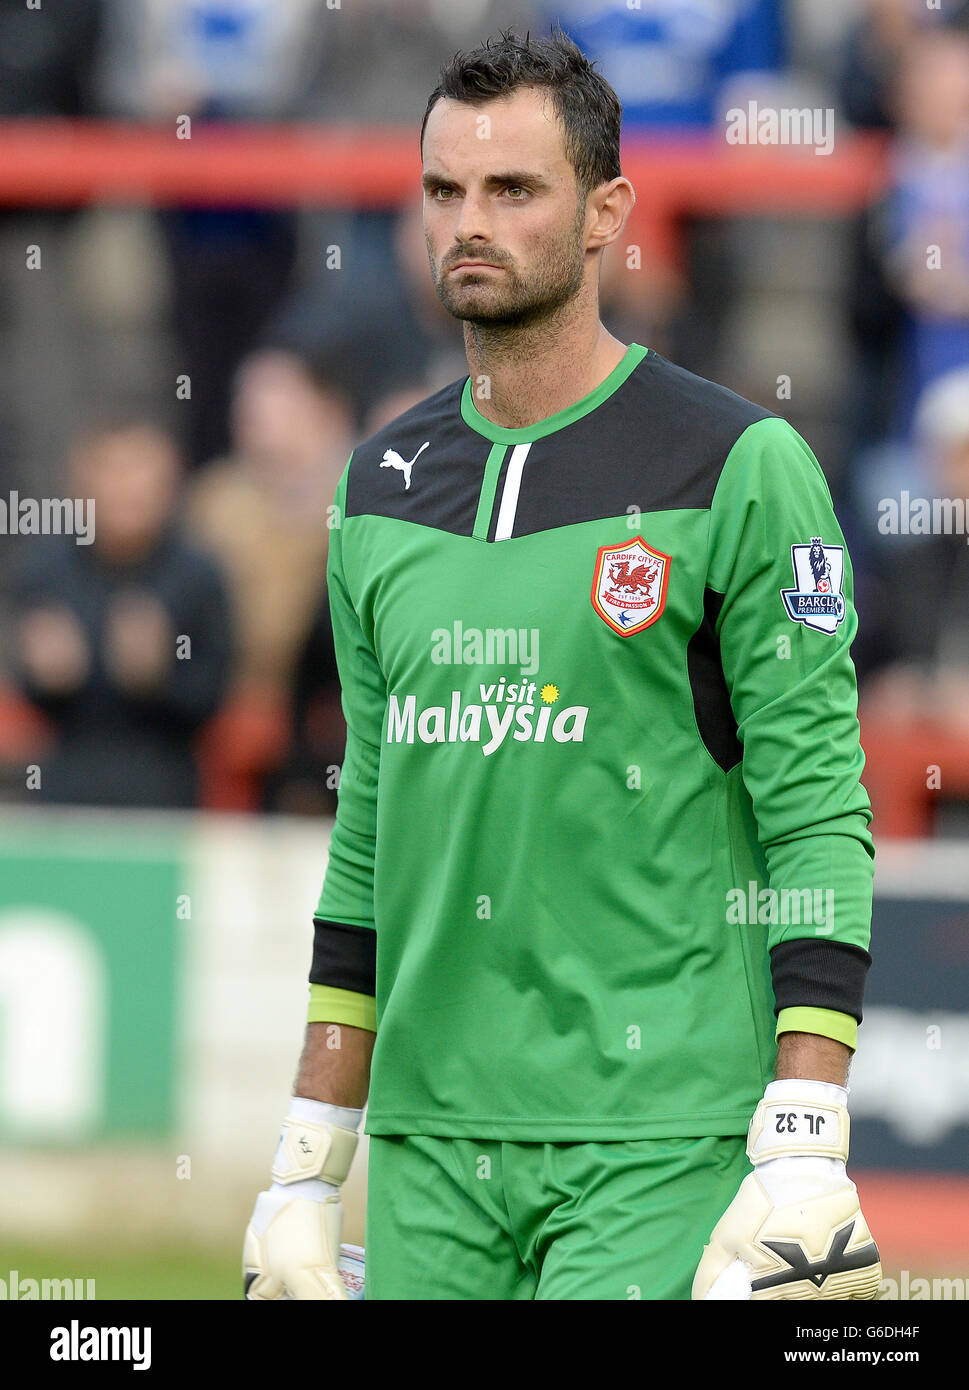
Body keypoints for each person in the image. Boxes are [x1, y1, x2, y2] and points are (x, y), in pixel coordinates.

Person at [244, 29, 881, 1301]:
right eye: (444, 191)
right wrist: (309, 1157)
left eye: (513, 190)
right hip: (429, 1145)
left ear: (607, 214)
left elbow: (817, 813)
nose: (468, 224)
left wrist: (807, 1134)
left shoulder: (740, 468)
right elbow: (370, 824)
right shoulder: (376, 489)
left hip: (660, 1136)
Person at [9, 417, 233, 808]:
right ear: (80, 483)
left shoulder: (199, 574)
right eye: (110, 471)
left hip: (165, 784)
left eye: (137, 472)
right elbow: (27, 695)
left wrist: (159, 679)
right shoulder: (47, 569)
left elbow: (214, 697)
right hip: (65, 783)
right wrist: (45, 678)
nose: (124, 488)